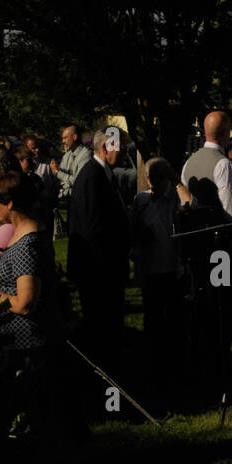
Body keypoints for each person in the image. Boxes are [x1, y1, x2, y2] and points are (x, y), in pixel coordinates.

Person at [130, 158, 189, 410]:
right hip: (151, 268)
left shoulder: (173, 200)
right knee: (153, 321)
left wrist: (176, 181)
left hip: (171, 268)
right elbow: (134, 235)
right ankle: (154, 369)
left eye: (160, 176)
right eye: (152, 177)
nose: (155, 182)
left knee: (174, 320)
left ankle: (175, 368)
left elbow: (189, 203)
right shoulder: (140, 201)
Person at [0, 171, 56, 353]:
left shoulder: (26, 245)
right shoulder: (29, 232)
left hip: (26, 344)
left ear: (10, 204)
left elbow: (25, 303)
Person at [67, 125, 132, 349]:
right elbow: (92, 230)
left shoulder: (103, 174)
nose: (125, 151)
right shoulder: (92, 177)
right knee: (101, 329)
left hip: (105, 270)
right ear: (105, 147)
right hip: (99, 273)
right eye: (121, 147)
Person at [181, 110, 232, 221]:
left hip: (193, 231)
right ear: (225, 133)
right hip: (218, 231)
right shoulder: (223, 164)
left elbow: (185, 201)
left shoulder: (188, 163)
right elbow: (231, 210)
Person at [54, 124, 93, 201]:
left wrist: (58, 172)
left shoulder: (86, 155)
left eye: (65, 138)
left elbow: (78, 181)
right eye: (62, 138)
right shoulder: (66, 155)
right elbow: (62, 180)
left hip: (81, 200)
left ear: (74, 137)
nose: (63, 141)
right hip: (70, 200)